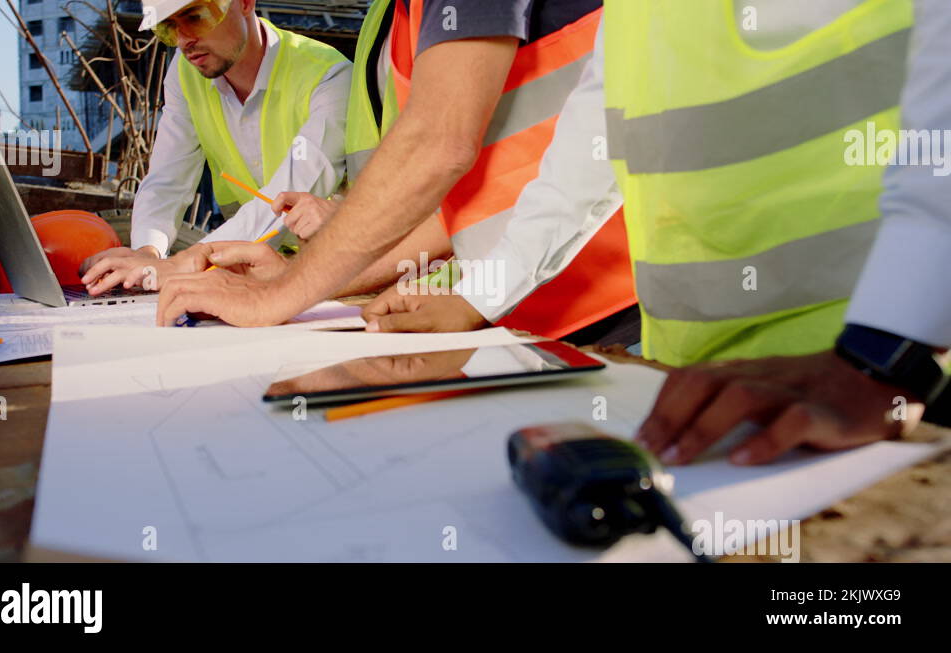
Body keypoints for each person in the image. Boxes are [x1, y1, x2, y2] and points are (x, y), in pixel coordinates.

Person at [362, 0, 951, 463]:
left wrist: (889, 349)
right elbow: (600, 125)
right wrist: (484, 289)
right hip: (691, 372)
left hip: (873, 372)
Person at [155, 0, 638, 342]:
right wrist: (297, 274)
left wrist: (283, 293)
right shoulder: (404, 21)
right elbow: (461, 209)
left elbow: (438, 147)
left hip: (615, 314)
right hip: (521, 315)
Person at [79, 0, 350, 294]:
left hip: (346, 274)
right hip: (258, 276)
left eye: (196, 17)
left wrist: (184, 263)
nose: (184, 41)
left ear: (246, 3)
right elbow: (167, 178)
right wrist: (147, 253)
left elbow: (288, 196)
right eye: (168, 28)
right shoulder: (186, 75)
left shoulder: (329, 75)